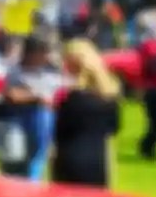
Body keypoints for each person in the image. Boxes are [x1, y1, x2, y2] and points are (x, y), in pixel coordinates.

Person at [52, 40, 121, 188]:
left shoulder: (70, 97)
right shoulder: (109, 96)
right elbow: (114, 128)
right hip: (98, 158)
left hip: (69, 156)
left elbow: (59, 130)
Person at [1, 36, 62, 180]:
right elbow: (11, 94)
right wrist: (36, 97)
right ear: (32, 53)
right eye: (43, 53)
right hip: (20, 125)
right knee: (16, 163)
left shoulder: (50, 71)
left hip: (44, 127)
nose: (46, 57)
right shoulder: (16, 71)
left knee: (37, 162)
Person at [136, 14, 156, 159]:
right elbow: (146, 66)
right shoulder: (152, 45)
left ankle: (148, 147)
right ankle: (147, 147)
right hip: (154, 87)